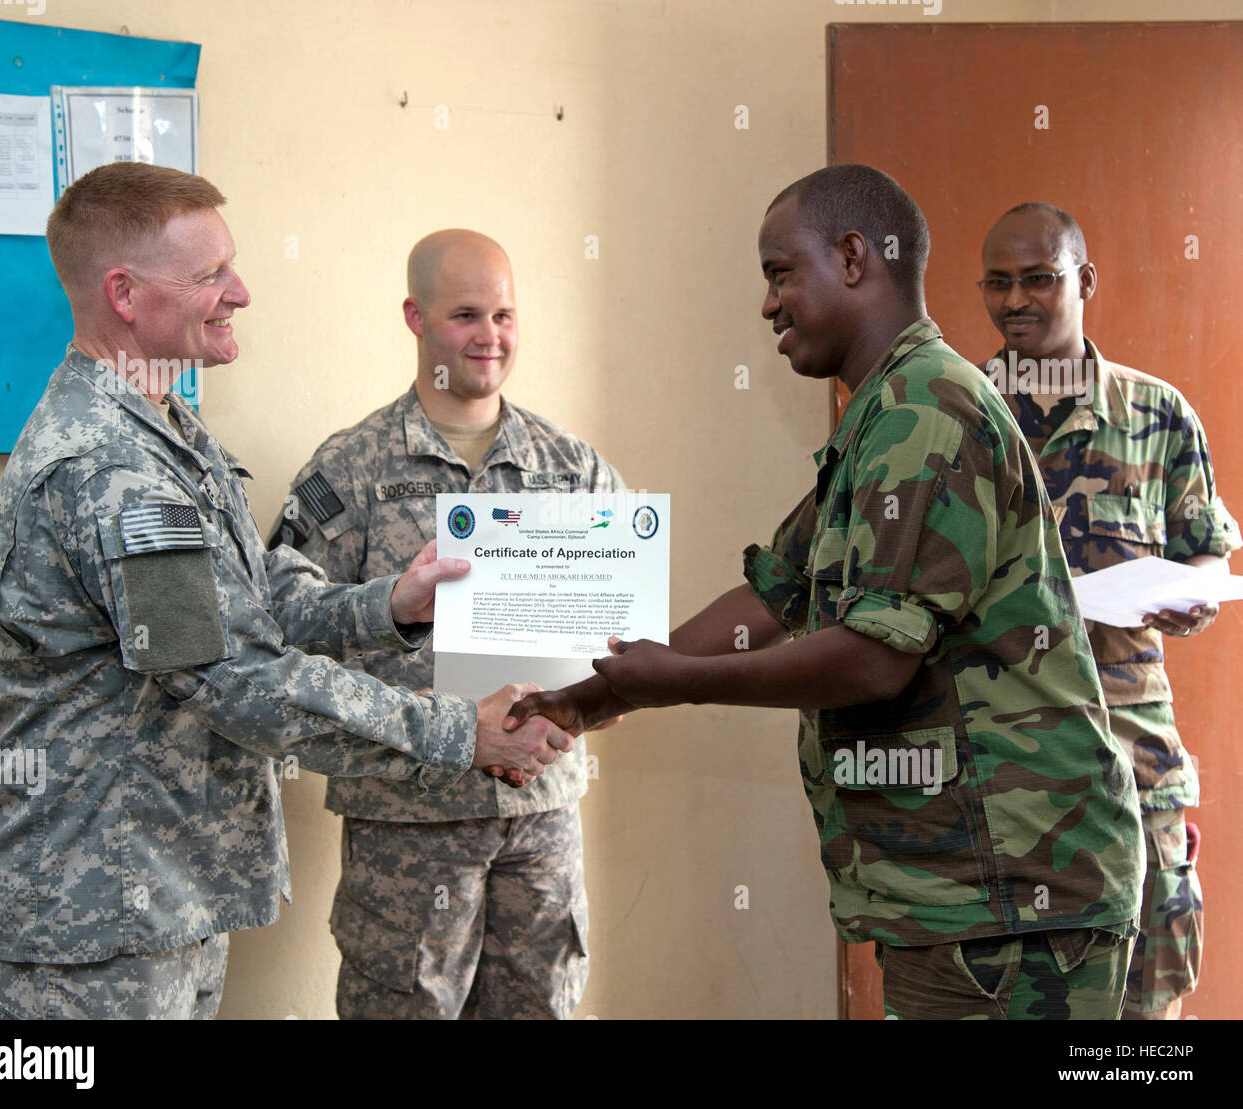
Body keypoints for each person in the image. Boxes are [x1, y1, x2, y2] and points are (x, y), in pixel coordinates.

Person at [507, 165, 1146, 1020]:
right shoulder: (886, 413)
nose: (768, 304)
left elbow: (875, 660)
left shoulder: (930, 410)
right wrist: (589, 699)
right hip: (966, 894)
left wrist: (677, 681)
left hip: (1013, 899)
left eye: (780, 273)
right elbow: (771, 597)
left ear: (853, 257)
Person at [0, 165, 573, 1020]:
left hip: (161, 901)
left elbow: (252, 597)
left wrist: (391, 602)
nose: (239, 292)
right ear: (125, 294)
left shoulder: (166, 426)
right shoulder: (109, 470)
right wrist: (456, 730)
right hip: (94, 927)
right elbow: (235, 676)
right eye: (210, 275)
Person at [268, 229, 624, 1020]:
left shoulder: (574, 470)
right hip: (408, 820)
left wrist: (571, 717)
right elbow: (279, 620)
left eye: (503, 313)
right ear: (415, 317)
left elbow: (621, 638)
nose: (489, 335)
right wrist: (390, 600)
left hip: (539, 817)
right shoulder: (350, 469)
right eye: (466, 313)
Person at [976, 202, 1239, 1019]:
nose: (1016, 300)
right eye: (998, 283)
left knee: (1141, 1011)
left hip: (1134, 763)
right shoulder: (958, 411)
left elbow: (1209, 548)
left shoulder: (1158, 415)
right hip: (996, 768)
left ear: (1084, 279)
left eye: (1039, 279)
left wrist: (1185, 589)